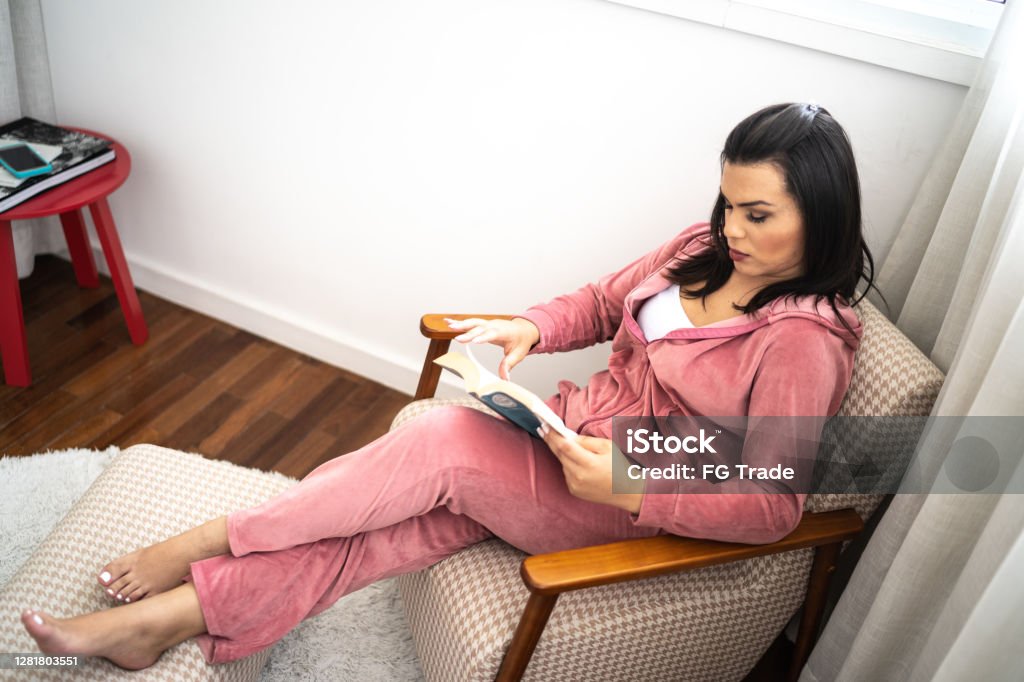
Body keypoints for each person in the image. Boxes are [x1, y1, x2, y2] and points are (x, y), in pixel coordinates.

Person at [19, 102, 877, 669]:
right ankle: (165, 622)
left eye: (758, 214)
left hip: (616, 489)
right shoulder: (703, 244)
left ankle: (210, 539)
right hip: (570, 431)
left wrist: (630, 484)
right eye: (727, 202)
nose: (732, 228)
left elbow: (774, 502)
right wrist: (530, 327)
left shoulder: (804, 340)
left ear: (823, 212)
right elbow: (602, 300)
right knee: (409, 520)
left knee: (434, 444)